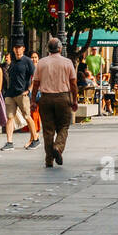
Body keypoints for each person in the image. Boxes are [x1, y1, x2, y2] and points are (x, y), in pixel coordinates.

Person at [30, 37, 79, 167]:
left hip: (46, 98)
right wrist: (74, 99)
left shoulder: (41, 62)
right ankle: (58, 147)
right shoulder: (67, 62)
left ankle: (49, 160)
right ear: (60, 48)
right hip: (63, 98)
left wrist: (33, 100)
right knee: (63, 126)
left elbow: (35, 84)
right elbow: (73, 83)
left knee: (48, 130)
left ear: (48, 49)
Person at [3, 43, 40, 150]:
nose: (18, 50)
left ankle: (35, 139)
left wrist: (28, 90)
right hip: (10, 94)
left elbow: (35, 77)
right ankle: (9, 142)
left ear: (23, 49)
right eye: (16, 48)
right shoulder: (13, 61)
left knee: (27, 116)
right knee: (9, 118)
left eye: (19, 48)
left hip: (22, 94)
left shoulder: (28, 61)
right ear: (13, 49)